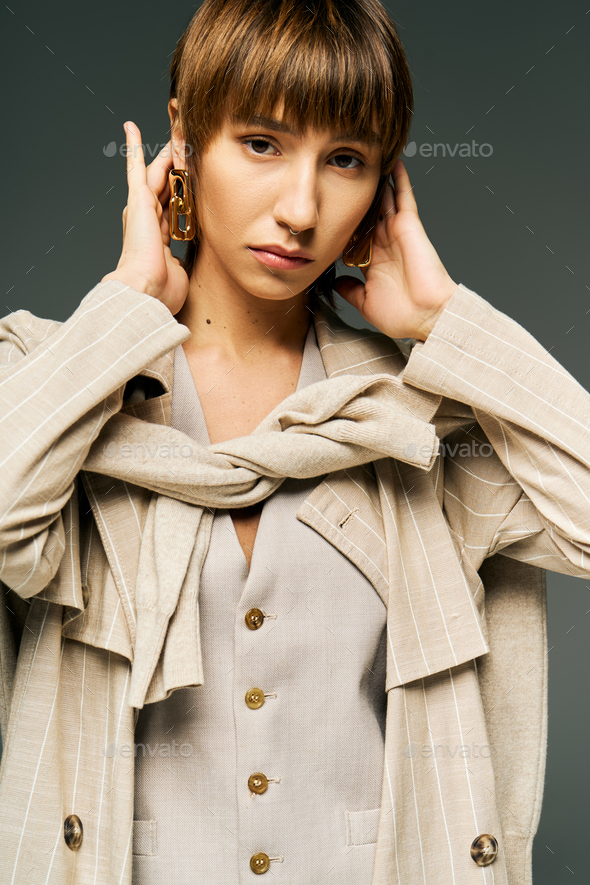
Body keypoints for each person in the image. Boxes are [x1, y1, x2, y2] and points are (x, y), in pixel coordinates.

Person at [0, 1, 589, 884]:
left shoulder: (413, 418)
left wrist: (444, 321)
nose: (303, 208)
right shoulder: (67, 383)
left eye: (345, 159)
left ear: (384, 185)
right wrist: (121, 311)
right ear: (184, 137)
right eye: (262, 143)